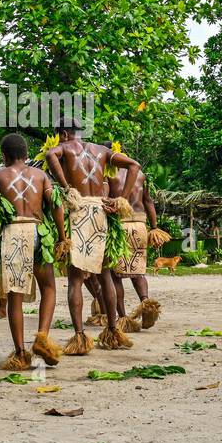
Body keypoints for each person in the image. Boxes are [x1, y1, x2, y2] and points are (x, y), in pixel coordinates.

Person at [44, 123, 141, 352]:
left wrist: (67, 187)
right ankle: (112, 330)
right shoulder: (102, 151)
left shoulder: (65, 147)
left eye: (60, 137)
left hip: (79, 210)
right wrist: (121, 200)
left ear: (64, 134)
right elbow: (134, 165)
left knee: (76, 278)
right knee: (106, 274)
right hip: (101, 211)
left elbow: (49, 154)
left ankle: (79, 337)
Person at [0, 133, 66, 368]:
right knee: (48, 288)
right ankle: (42, 338)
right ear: (26, 155)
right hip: (38, 232)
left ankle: (20, 353)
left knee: (14, 295)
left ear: (4, 156)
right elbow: (56, 206)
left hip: (12, 234)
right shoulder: (41, 175)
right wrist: (62, 237)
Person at [109, 160, 170, 332]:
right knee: (138, 271)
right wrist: (155, 227)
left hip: (119, 227)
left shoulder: (108, 174)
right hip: (140, 225)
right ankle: (146, 303)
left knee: (115, 275)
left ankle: (122, 318)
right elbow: (148, 201)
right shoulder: (140, 176)